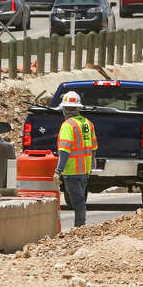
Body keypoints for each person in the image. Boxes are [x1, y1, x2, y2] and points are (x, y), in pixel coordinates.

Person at [53, 91, 97, 227]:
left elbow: (65, 150)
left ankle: (80, 227)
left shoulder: (68, 125)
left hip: (72, 170)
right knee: (79, 199)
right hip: (84, 170)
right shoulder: (87, 124)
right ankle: (80, 225)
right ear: (78, 108)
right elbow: (93, 147)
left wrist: (58, 170)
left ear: (64, 109)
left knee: (77, 201)